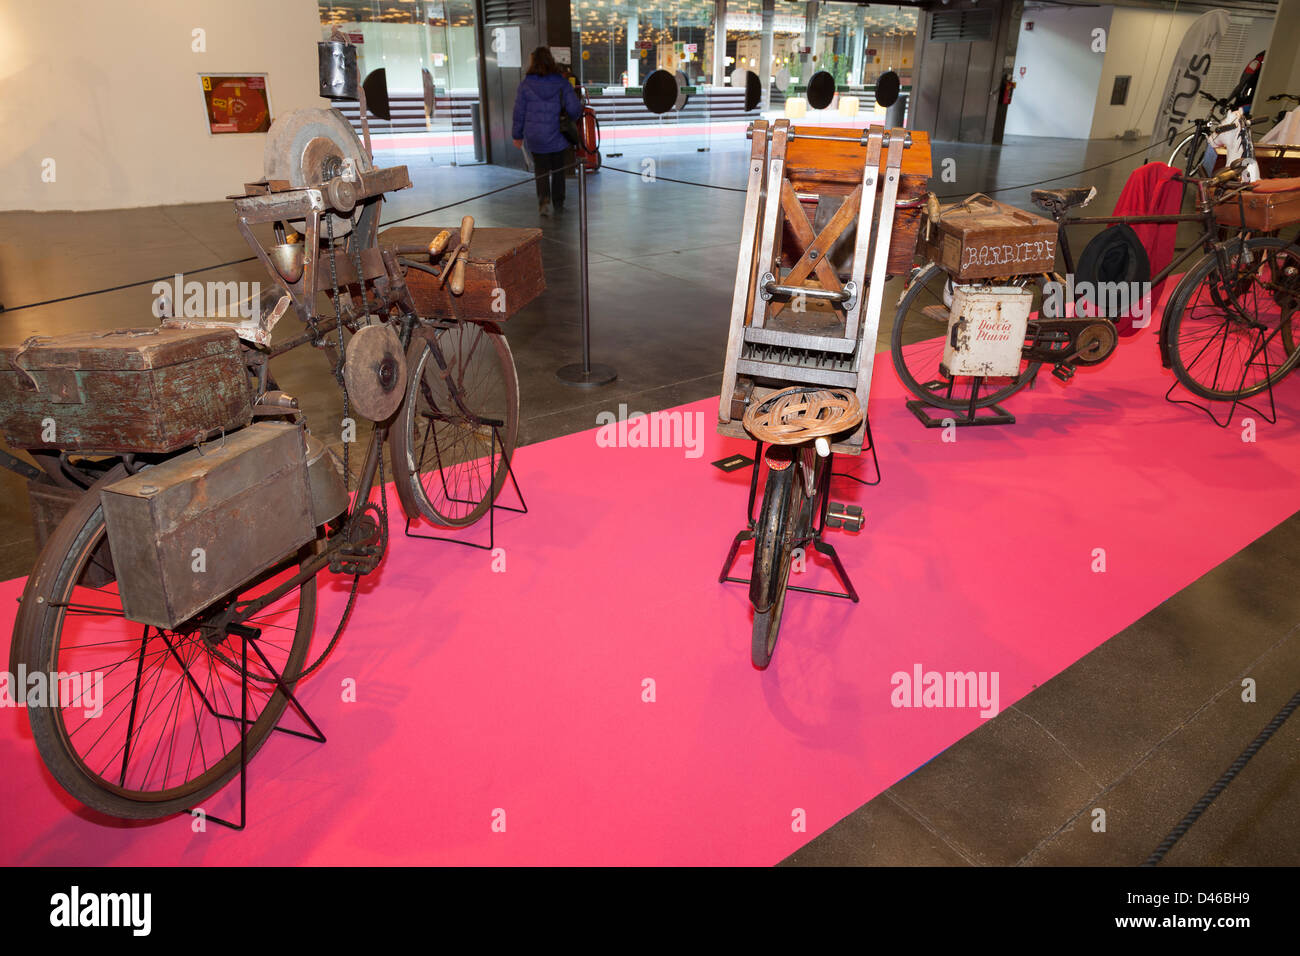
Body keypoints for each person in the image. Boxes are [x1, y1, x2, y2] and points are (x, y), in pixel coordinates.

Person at [512, 47, 581, 217]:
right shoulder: (561, 82)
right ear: (551, 61)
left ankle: (543, 200)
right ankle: (558, 201)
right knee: (558, 169)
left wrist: (517, 135)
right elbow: (574, 108)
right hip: (557, 133)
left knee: (541, 168)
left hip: (534, 135)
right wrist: (570, 116)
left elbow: (518, 111)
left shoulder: (526, 84)